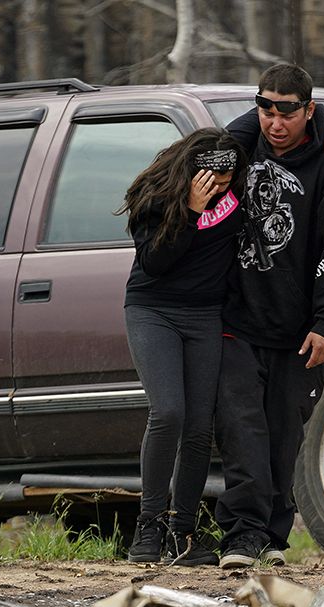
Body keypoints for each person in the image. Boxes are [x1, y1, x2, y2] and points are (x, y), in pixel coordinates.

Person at [215, 63, 324, 569]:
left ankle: (272, 538)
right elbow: (223, 138)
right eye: (266, 108)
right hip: (234, 319)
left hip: (297, 330)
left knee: (283, 436)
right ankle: (241, 535)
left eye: (288, 111)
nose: (275, 122)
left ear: (308, 110)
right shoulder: (241, 147)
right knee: (242, 428)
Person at [116, 128, 247, 565]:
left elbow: (256, 122)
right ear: (193, 170)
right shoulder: (155, 198)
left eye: (228, 180)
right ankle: (147, 527)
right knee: (168, 412)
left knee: (198, 427)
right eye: (213, 178)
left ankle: (182, 532)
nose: (221, 186)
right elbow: (155, 263)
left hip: (205, 315)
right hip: (154, 310)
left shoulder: (235, 182)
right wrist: (192, 210)